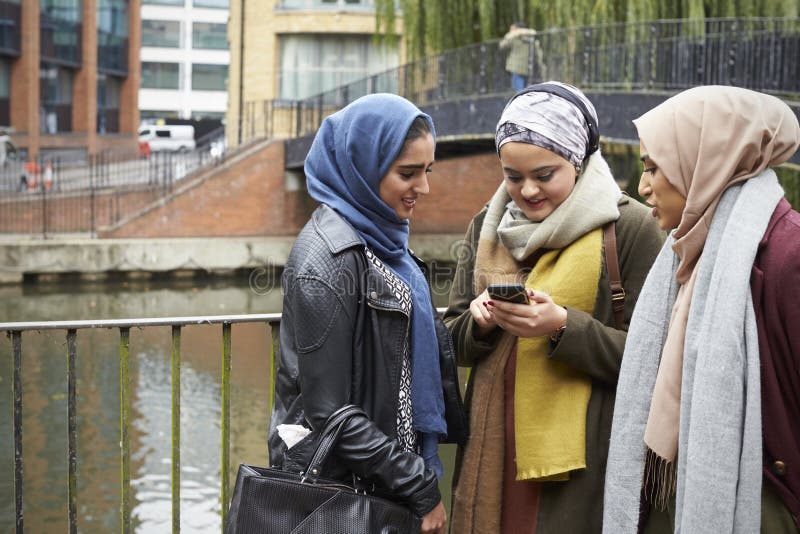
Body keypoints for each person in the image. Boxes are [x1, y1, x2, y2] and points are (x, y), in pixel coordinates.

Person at [444, 81, 664, 533]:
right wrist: (480, 322)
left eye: (545, 175)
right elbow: (449, 343)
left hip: (582, 460)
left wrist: (562, 327)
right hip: (494, 447)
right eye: (512, 176)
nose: (527, 191)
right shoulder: (486, 226)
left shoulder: (631, 228)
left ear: (579, 161)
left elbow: (655, 359)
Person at [603, 86, 800, 533]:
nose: (643, 186)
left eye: (655, 167)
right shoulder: (689, 249)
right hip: (677, 498)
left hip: (763, 503)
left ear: (705, 163)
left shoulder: (788, 254)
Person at [268, 93, 467, 534]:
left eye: (427, 171)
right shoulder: (328, 259)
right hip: (346, 489)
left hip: (382, 476)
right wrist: (420, 486)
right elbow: (330, 413)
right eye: (407, 173)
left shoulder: (380, 237)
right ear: (363, 165)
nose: (424, 188)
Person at [499, 22, 544, 91]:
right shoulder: (531, 38)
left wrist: (509, 35)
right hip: (528, 68)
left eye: (512, 29)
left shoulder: (513, 38)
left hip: (516, 68)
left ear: (517, 29)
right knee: (526, 90)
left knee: (519, 91)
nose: (510, 31)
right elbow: (538, 54)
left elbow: (502, 46)